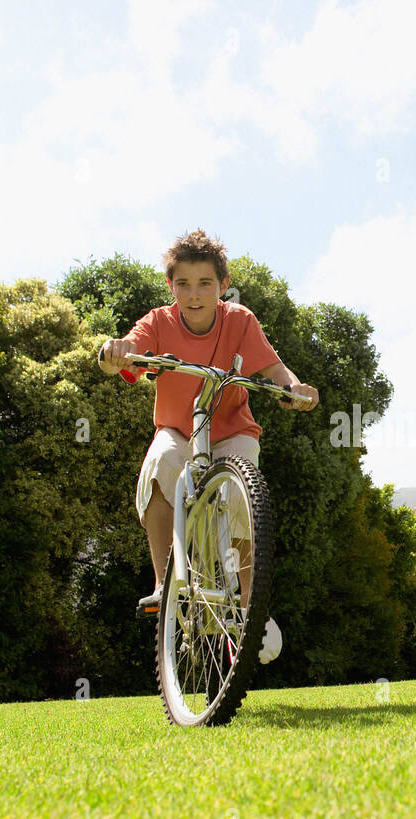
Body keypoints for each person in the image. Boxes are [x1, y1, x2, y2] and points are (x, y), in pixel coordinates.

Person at [98, 229, 319, 661]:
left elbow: (273, 367)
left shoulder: (240, 320)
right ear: (170, 286)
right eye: (183, 284)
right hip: (180, 431)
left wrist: (294, 388)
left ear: (222, 284)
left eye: (205, 284)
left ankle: (249, 606)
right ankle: (166, 584)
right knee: (162, 459)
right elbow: (129, 349)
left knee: (244, 485)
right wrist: (117, 351)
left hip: (231, 428)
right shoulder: (159, 321)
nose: (194, 294)